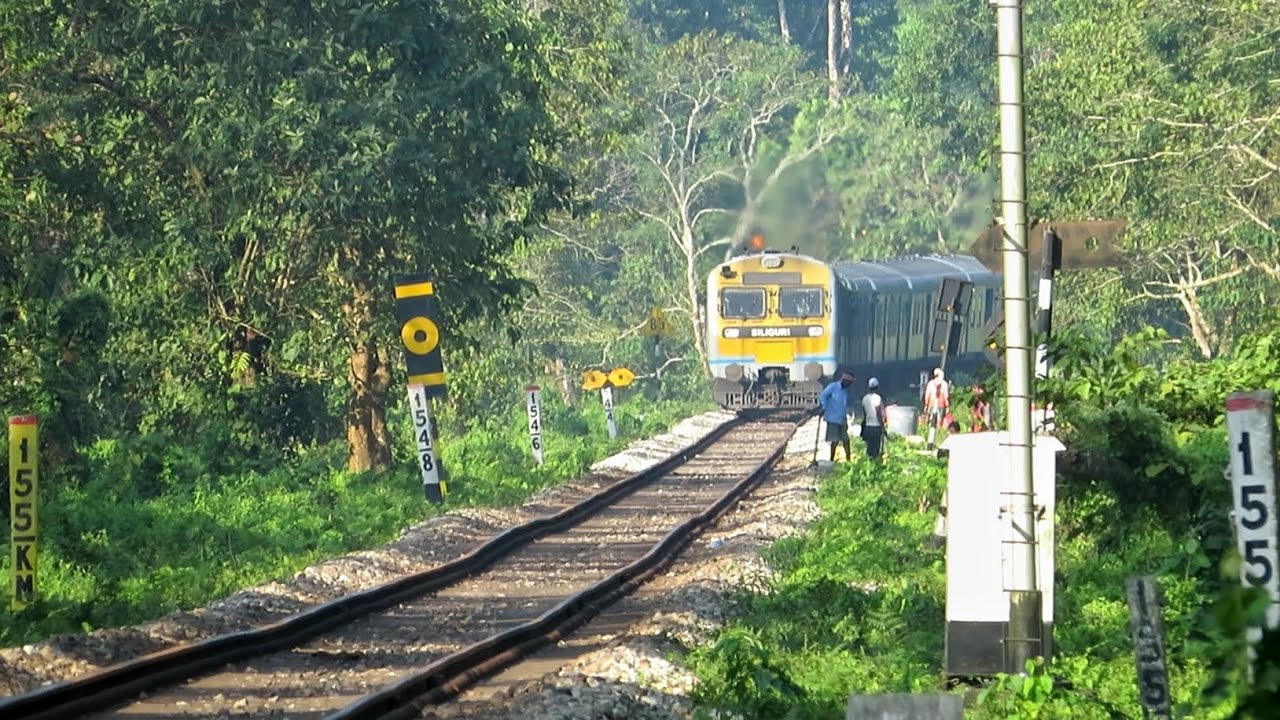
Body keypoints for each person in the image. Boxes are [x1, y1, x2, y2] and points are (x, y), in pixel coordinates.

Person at [819, 370, 856, 462]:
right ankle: (831, 459)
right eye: (848, 382)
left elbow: (843, 405)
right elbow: (823, 396)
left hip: (841, 418)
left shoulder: (845, 391)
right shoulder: (833, 387)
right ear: (844, 380)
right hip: (832, 418)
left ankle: (848, 460)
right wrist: (824, 407)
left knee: (846, 440)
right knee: (834, 441)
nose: (849, 385)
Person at [861, 377, 888, 463]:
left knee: (869, 448)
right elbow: (878, 413)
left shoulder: (864, 398)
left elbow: (865, 414)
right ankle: (875, 464)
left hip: (868, 426)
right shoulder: (877, 398)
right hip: (876, 426)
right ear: (877, 387)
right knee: (876, 448)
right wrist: (882, 426)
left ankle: (869, 465)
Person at [923, 368, 950, 449]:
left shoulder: (930, 383)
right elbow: (946, 396)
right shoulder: (944, 384)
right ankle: (938, 435)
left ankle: (928, 434)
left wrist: (926, 405)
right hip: (941, 404)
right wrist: (947, 406)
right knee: (939, 421)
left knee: (929, 420)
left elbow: (927, 395)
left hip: (931, 403)